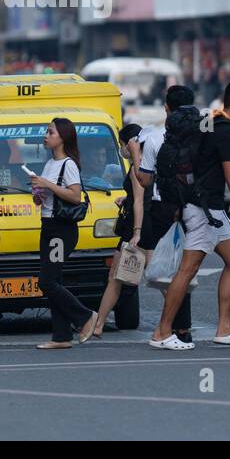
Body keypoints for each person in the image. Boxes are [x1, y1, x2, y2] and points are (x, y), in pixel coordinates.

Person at [150, 79, 230, 349]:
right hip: (203, 209)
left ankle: (225, 328)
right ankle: (162, 333)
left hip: (205, 206)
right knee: (188, 269)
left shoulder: (210, 122)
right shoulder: (226, 131)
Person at [133, 85, 196, 347]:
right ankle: (184, 328)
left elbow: (145, 179)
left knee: (171, 269)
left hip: (164, 207)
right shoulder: (203, 135)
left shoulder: (156, 138)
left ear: (167, 108)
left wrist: (135, 155)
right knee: (187, 267)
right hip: (196, 205)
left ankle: (171, 328)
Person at [30, 118, 98, 349]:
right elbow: (47, 197)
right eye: (46, 131)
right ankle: (61, 336)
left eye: (50, 132)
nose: (46, 135)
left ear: (63, 137)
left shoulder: (68, 164)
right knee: (54, 280)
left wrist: (47, 185)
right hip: (48, 226)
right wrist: (38, 193)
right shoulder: (50, 163)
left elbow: (75, 196)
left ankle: (86, 316)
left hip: (61, 230)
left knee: (46, 282)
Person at [91, 123, 143, 337]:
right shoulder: (141, 165)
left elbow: (140, 200)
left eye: (122, 144)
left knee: (158, 277)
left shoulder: (138, 168)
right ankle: (99, 323)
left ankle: (172, 326)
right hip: (133, 227)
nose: (121, 149)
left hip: (137, 229)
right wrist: (127, 198)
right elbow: (137, 197)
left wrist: (138, 232)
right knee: (117, 277)